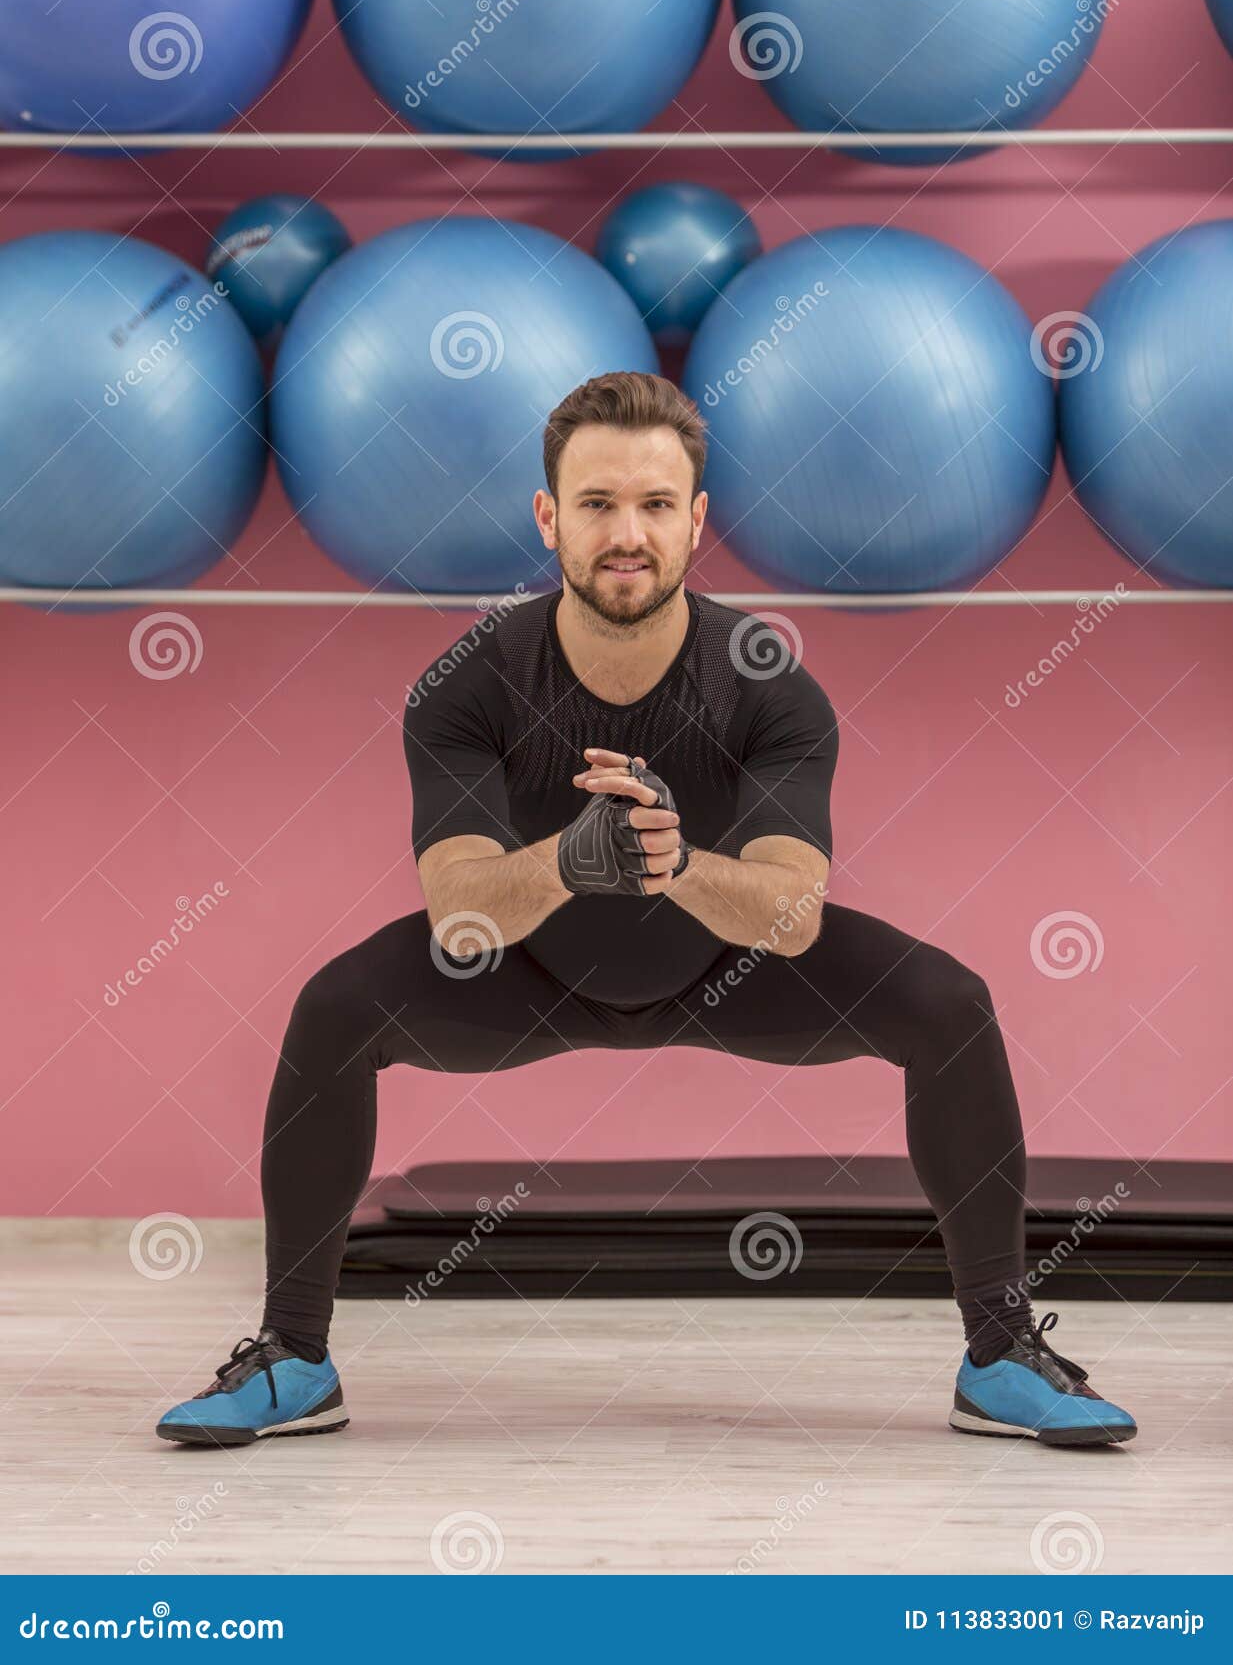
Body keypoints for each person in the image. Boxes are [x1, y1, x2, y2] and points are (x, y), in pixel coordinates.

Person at [156, 372, 1136, 1449]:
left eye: (656, 506)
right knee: (333, 1009)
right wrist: (575, 861)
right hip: (525, 969)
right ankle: (293, 1357)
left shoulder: (768, 685)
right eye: (598, 504)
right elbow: (460, 915)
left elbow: (793, 913)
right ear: (549, 517)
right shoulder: (469, 683)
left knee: (951, 1005)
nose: (628, 533)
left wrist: (675, 867)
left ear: (696, 520)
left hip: (728, 964)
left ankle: (998, 1355)